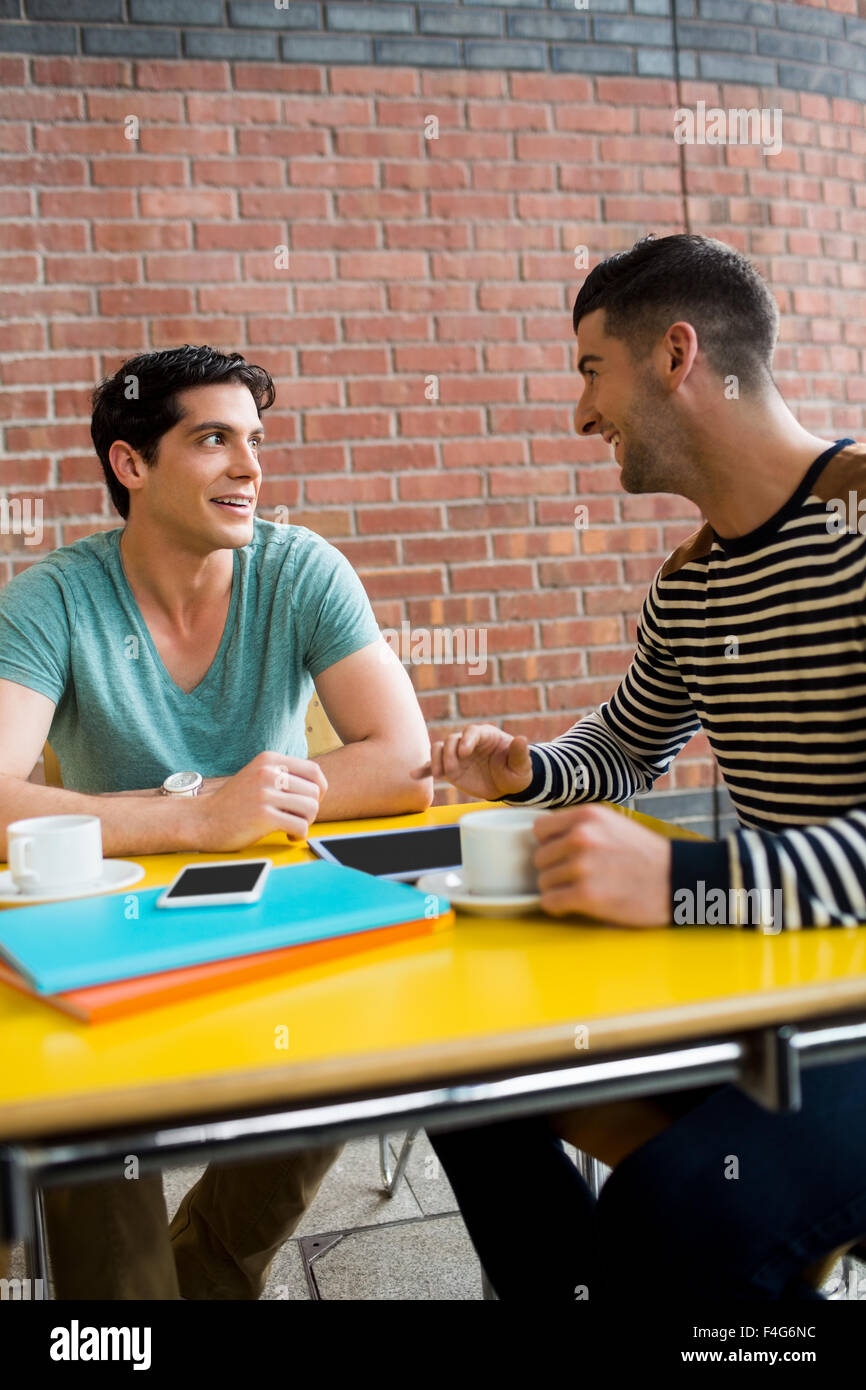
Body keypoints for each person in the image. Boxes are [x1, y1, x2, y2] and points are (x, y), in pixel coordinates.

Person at [415, 234, 866, 1300]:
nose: (580, 415)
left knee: (671, 1212)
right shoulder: (691, 583)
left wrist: (680, 882)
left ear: (675, 355)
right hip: (775, 983)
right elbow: (625, 744)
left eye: (587, 371)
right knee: (460, 1072)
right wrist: (526, 770)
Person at [0, 345, 433, 1298]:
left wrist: (247, 810)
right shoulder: (53, 600)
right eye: (213, 440)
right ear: (132, 465)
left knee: (341, 1057)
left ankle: (205, 1281)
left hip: (270, 916)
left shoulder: (300, 568)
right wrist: (197, 816)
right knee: (91, 1119)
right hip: (103, 931)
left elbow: (404, 762)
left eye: (255, 441)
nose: (250, 467)